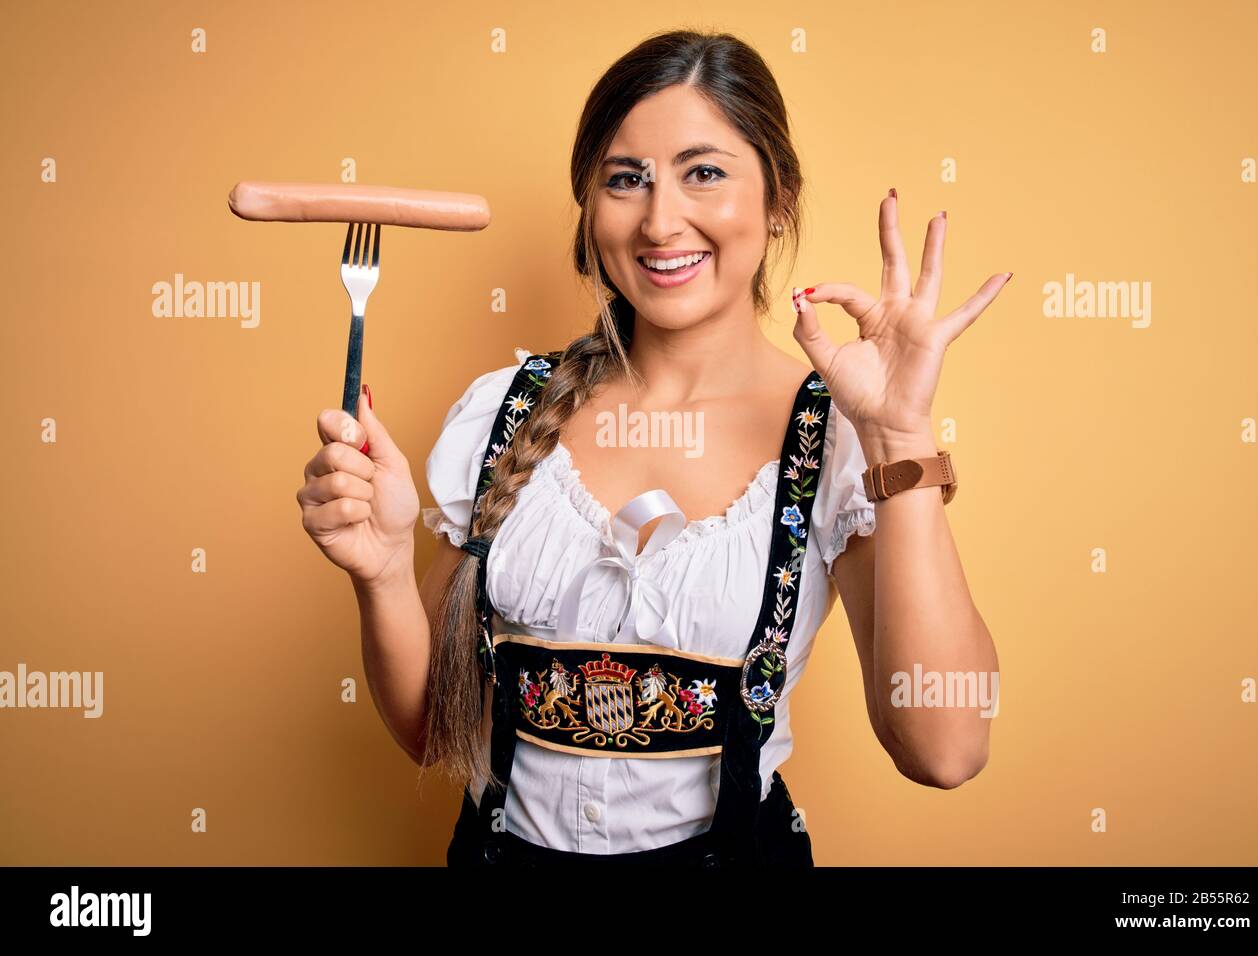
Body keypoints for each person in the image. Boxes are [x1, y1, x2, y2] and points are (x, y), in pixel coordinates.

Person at [297, 29, 1005, 866]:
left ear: (779, 199)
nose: (661, 220)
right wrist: (379, 573)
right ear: (591, 210)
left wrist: (901, 435)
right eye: (626, 180)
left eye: (704, 172)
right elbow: (433, 736)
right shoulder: (504, 411)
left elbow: (944, 751)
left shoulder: (837, 439)